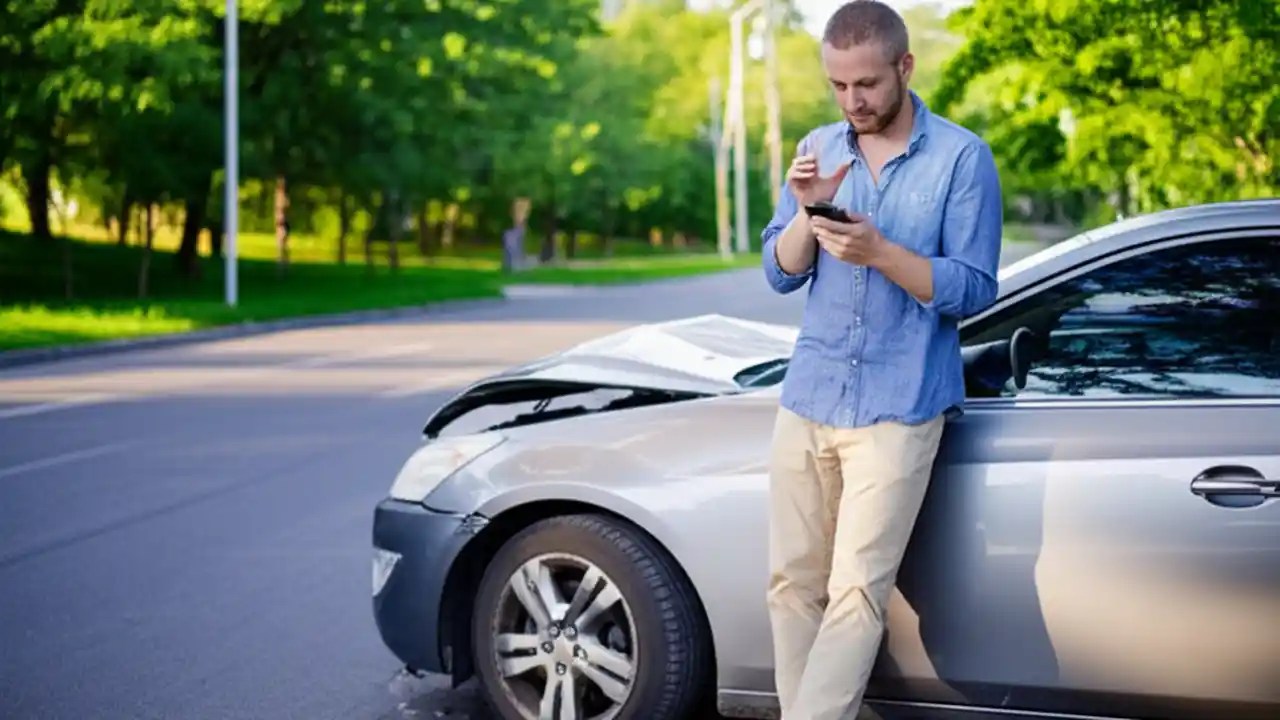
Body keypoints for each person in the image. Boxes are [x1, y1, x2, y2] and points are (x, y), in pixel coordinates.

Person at [759, 2, 1003, 719]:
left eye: (865, 84)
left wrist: (882, 253)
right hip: (810, 392)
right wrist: (808, 211)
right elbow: (778, 271)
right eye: (837, 86)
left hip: (900, 406)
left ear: (904, 67)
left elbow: (975, 289)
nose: (851, 101)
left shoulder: (962, 157)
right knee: (789, 583)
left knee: (856, 592)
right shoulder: (818, 145)